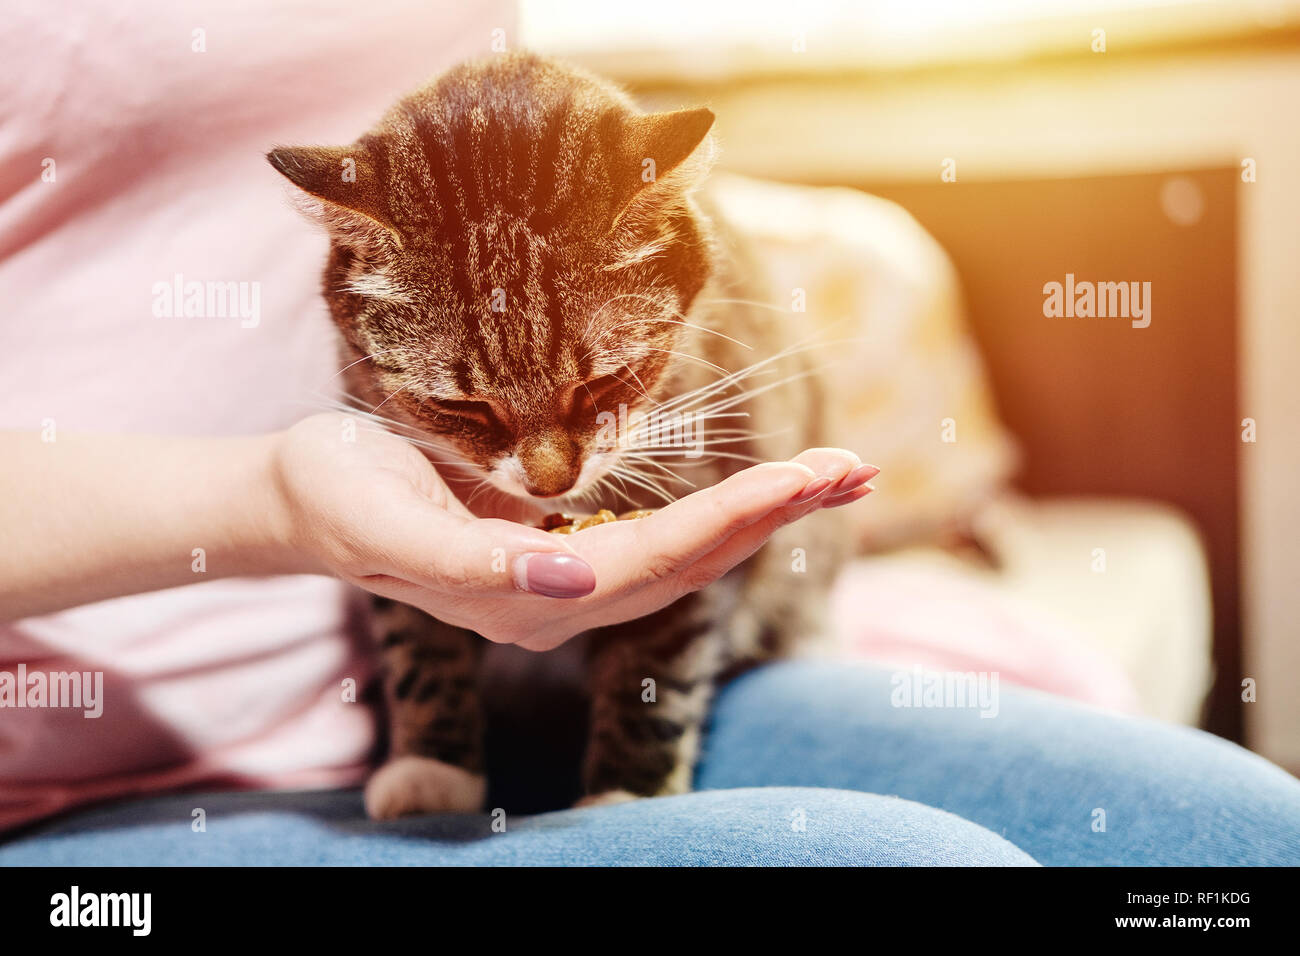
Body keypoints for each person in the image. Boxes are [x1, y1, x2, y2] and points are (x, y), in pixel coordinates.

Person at [3, 0, 1298, 867]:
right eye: (481, 420)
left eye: (580, 408)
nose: (554, 469)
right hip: (102, 781)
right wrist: (276, 504)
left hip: (617, 663)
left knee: (1241, 844)